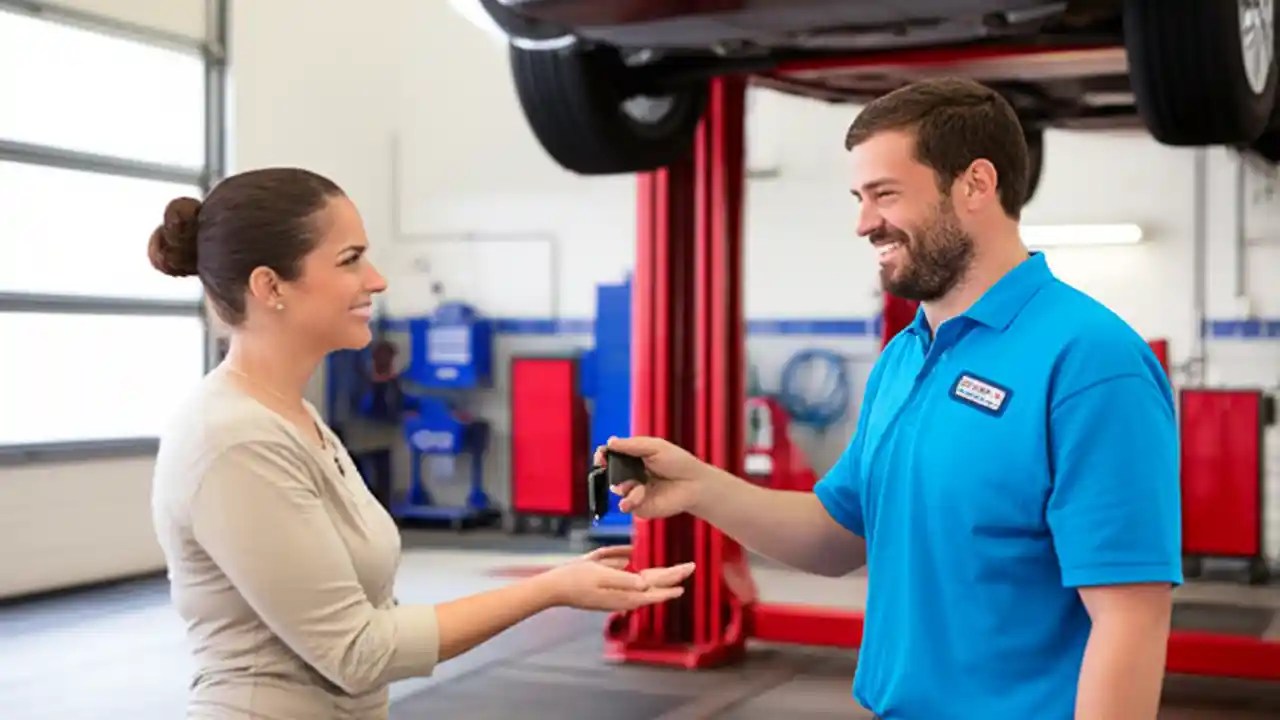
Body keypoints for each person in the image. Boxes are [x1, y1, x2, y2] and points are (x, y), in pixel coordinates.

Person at [600, 78, 1181, 720]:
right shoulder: (907, 356)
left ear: (975, 185)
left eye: (885, 194)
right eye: (859, 197)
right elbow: (838, 534)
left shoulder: (1091, 362)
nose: (863, 222)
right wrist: (699, 487)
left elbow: (1130, 618)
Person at [147, 167, 695, 719]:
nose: (378, 280)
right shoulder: (233, 440)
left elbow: (372, 620)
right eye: (350, 259)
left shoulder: (295, 419)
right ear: (270, 287)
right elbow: (357, 652)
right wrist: (550, 589)